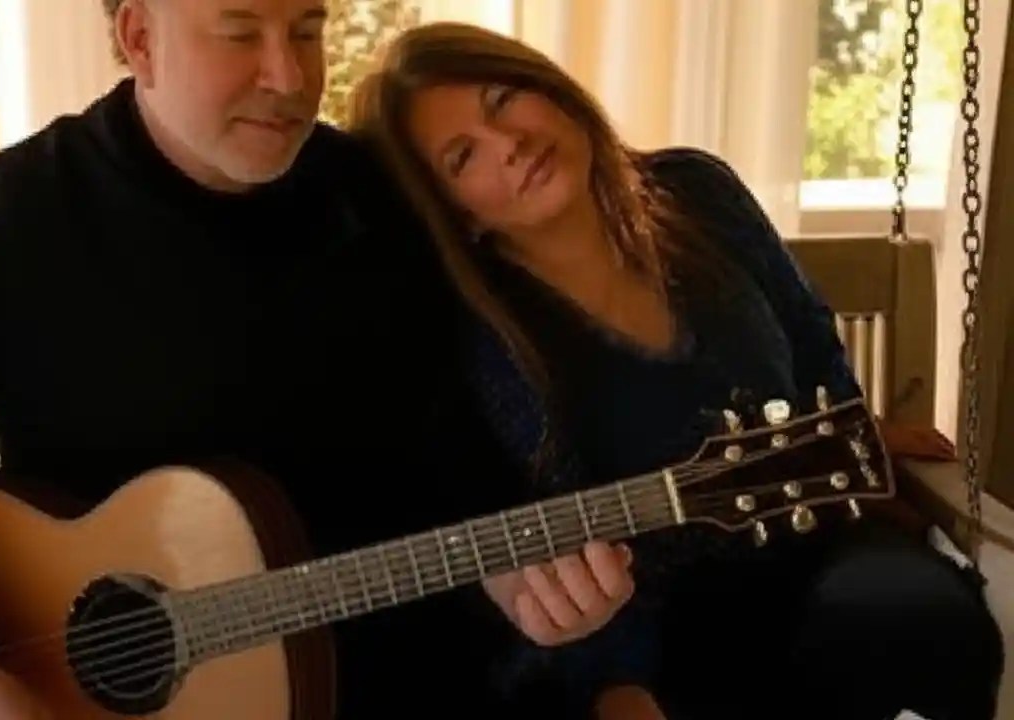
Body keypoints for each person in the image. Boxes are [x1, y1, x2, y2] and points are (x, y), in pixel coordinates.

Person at [0, 2, 611, 719]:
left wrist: (521, 584)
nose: (288, 79)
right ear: (139, 37)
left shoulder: (374, 197)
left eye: (307, 29)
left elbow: (457, 456)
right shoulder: (27, 215)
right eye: (240, 33)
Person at [349, 21, 1007, 720]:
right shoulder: (488, 339)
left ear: (551, 90)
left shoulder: (699, 191)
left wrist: (860, 443)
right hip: (651, 625)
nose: (509, 144)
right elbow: (560, 549)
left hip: (816, 549)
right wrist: (616, 686)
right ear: (459, 214)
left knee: (916, 623)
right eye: (463, 156)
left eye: (504, 99)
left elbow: (813, 346)